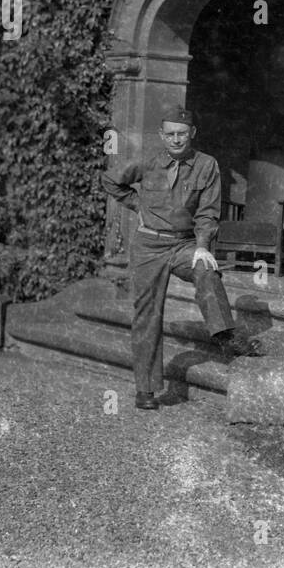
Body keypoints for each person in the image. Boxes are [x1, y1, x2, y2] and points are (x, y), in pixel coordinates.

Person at [101, 106, 249, 410]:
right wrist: (138, 204)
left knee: (207, 270)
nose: (176, 139)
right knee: (147, 314)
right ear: (161, 135)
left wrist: (203, 245)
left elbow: (208, 212)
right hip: (148, 247)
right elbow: (111, 181)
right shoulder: (148, 161)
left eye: (182, 133)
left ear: (192, 133)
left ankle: (224, 336)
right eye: (170, 134)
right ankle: (146, 389)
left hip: (183, 244)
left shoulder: (207, 165)